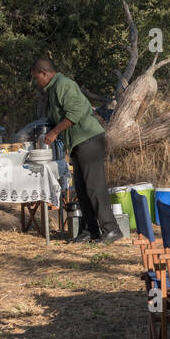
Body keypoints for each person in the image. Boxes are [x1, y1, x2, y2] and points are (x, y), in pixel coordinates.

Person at [30, 57, 123, 244]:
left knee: (95, 187)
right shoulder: (53, 89)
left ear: (44, 73)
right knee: (81, 189)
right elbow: (58, 117)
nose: (36, 82)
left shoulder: (64, 85)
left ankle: (111, 229)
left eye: (36, 78)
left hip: (89, 140)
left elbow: (75, 113)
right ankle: (90, 231)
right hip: (77, 143)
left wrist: (55, 132)